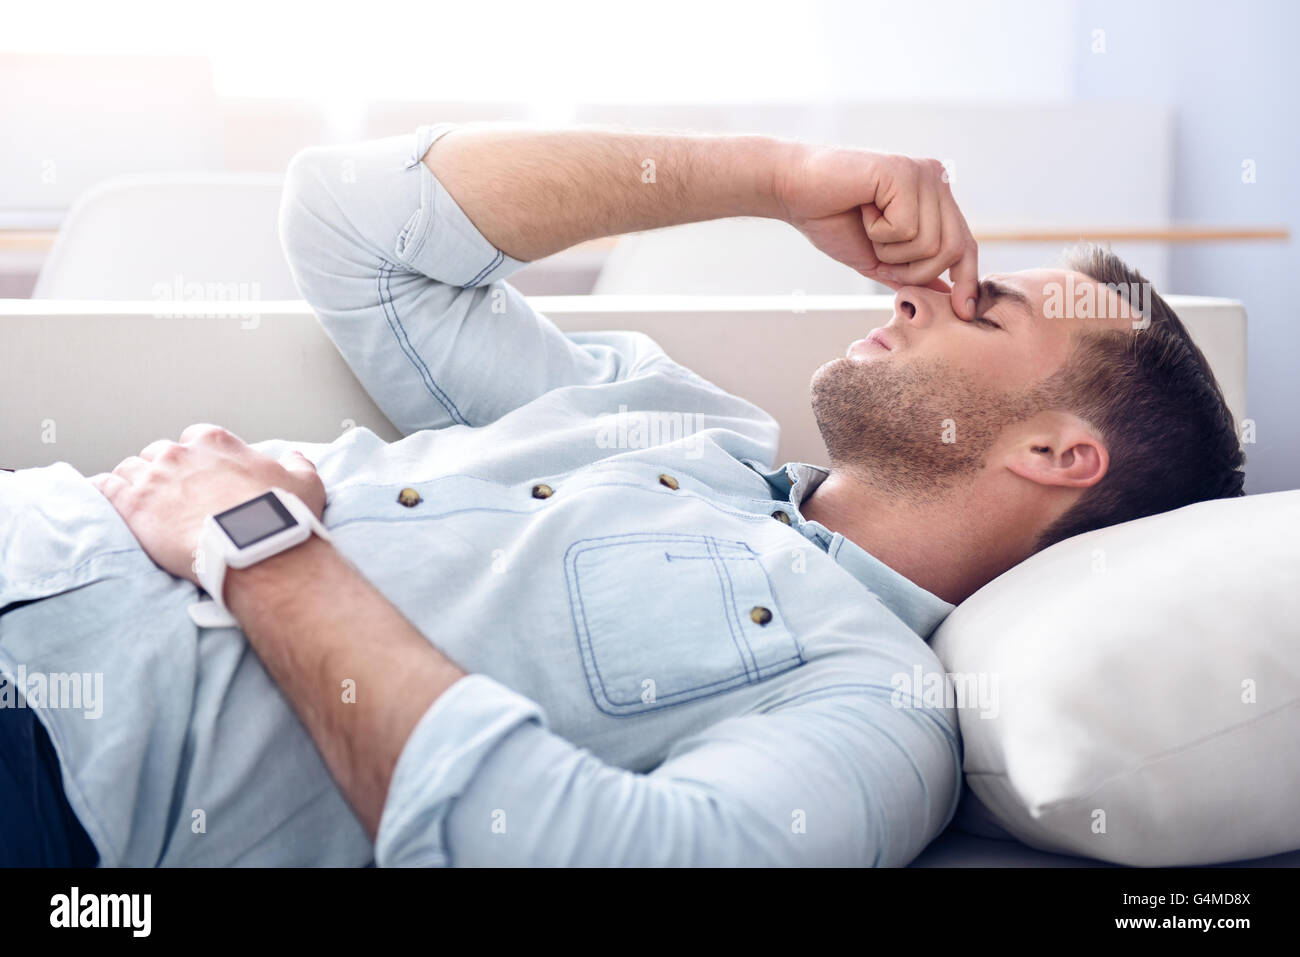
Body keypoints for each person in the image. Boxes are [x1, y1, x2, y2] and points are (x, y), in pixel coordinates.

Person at [0, 122, 1244, 867]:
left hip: (54, 764)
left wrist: (253, 539)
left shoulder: (875, 712)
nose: (921, 292)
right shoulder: (681, 422)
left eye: (986, 307)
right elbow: (353, 226)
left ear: (1055, 454)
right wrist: (784, 174)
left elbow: (576, 855)